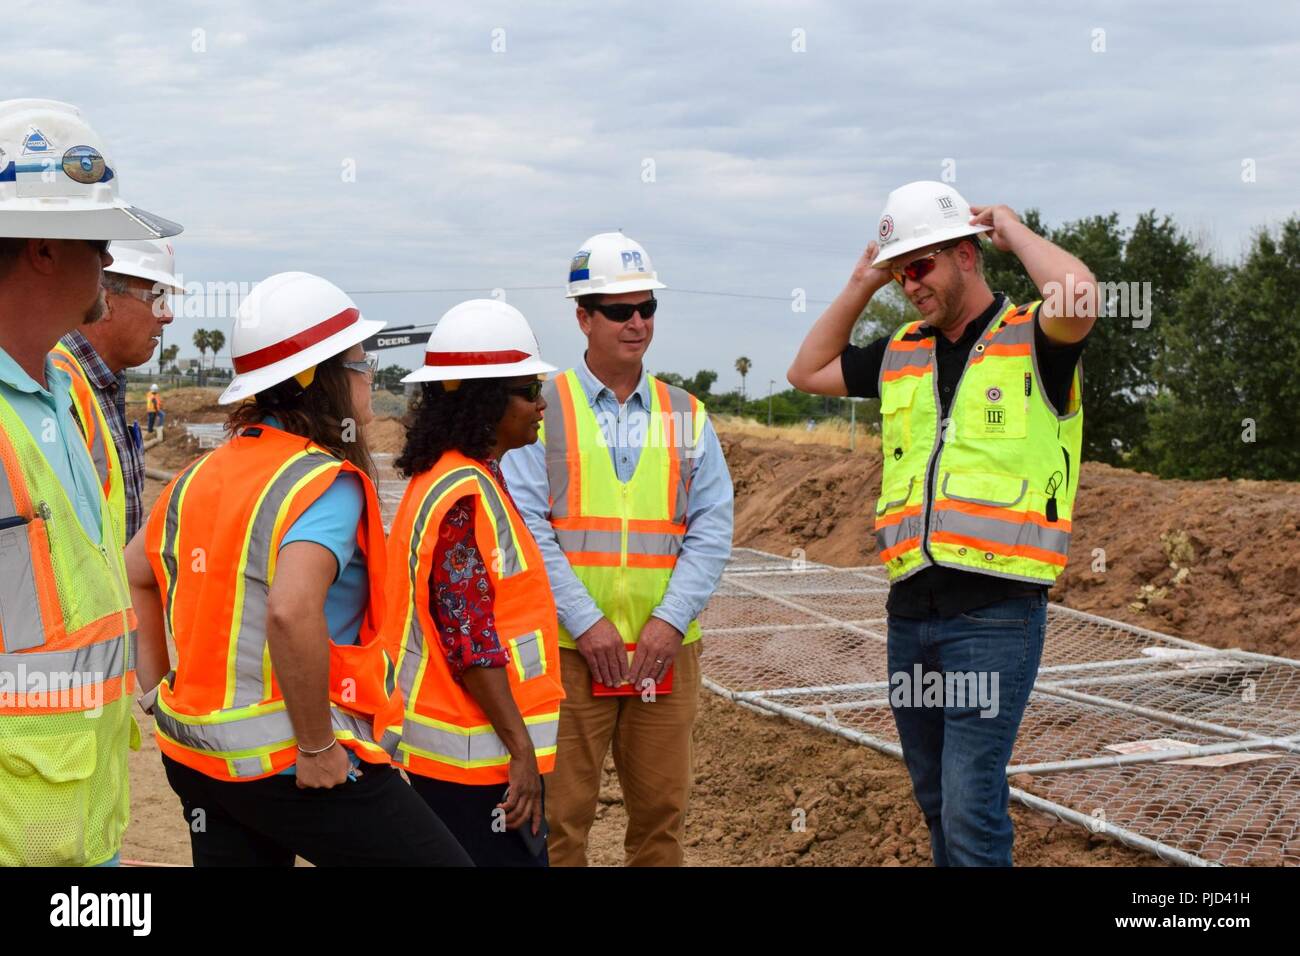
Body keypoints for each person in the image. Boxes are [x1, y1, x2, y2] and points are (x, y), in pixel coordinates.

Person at [787, 180, 1097, 866]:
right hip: (911, 613)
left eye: (919, 266)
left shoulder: (1034, 338)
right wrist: (860, 286)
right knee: (934, 796)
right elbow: (805, 370)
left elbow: (1078, 296)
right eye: (900, 272)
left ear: (966, 254)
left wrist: (1012, 228)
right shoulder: (901, 351)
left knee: (969, 798)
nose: (909, 285)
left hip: (995, 613)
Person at [124, 272, 471, 866]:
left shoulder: (199, 476)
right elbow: (290, 608)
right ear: (324, 379)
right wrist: (317, 746)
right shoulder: (322, 482)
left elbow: (136, 570)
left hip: (198, 757)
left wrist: (156, 687)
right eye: (360, 365)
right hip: (288, 759)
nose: (369, 379)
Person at [502, 232, 734, 866]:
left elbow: (713, 527)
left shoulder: (686, 413)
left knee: (662, 819)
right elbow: (528, 530)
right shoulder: (541, 408)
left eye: (647, 308)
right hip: (572, 654)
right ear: (583, 317)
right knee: (561, 822)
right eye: (618, 310)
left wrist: (667, 621)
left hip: (665, 655)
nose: (637, 322)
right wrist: (588, 623)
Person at [0, 98, 180, 866]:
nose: (108, 262)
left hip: (74, 822)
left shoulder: (57, 397)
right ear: (42, 248)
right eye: (97, 241)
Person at [384, 299, 565, 867]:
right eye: (528, 390)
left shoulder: (455, 477)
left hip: (466, 755)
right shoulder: (462, 495)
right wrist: (521, 752)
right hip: (475, 762)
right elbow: (471, 639)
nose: (540, 404)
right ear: (487, 401)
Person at [53, 240, 181, 542]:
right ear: (105, 300)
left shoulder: (103, 385)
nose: (168, 315)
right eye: (158, 298)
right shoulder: (56, 387)